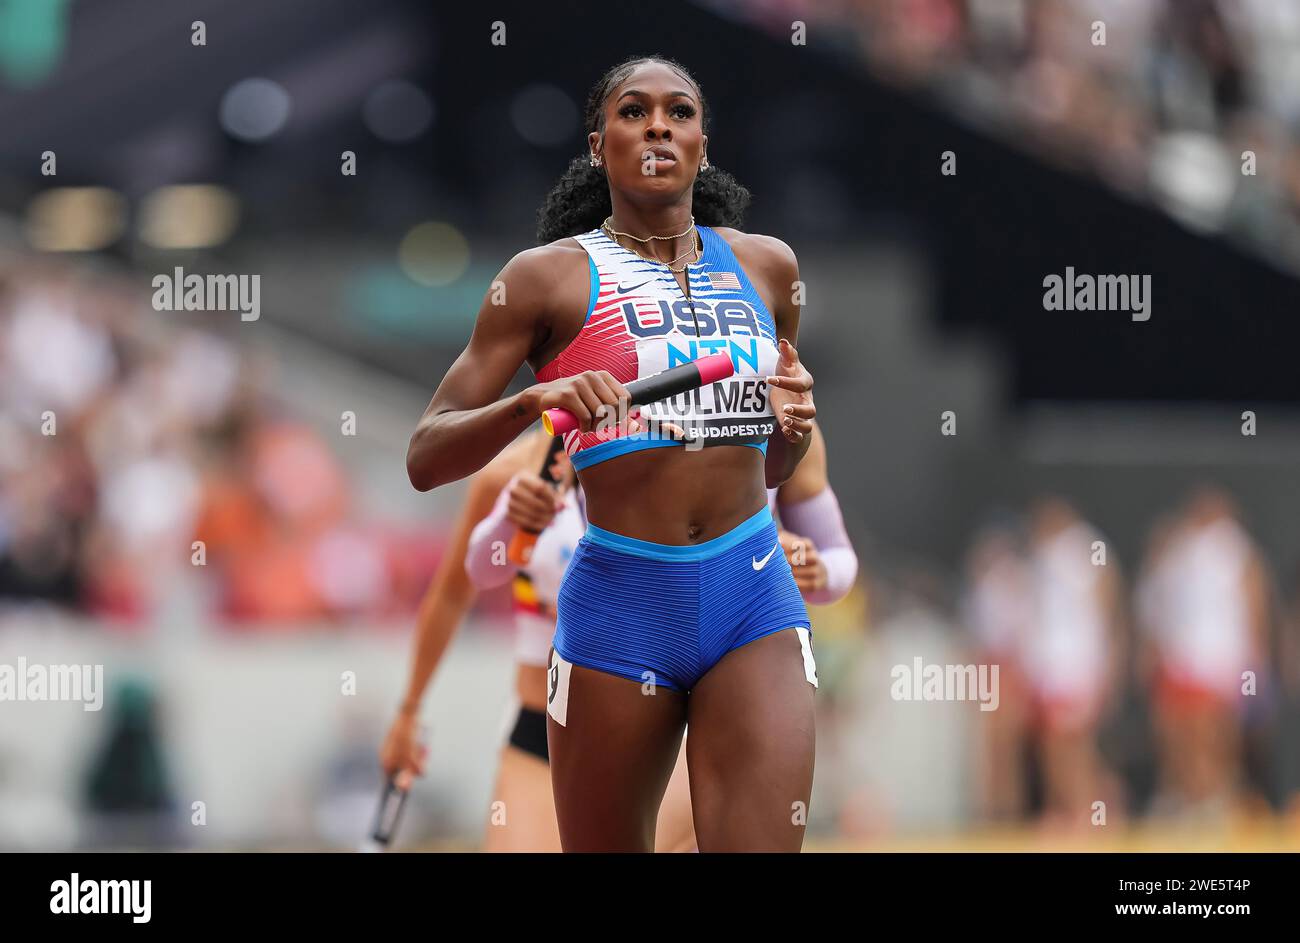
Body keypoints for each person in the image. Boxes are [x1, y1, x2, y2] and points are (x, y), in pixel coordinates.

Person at [406, 55, 819, 851]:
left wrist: (791, 434)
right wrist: (533, 401)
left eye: (679, 112)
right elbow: (426, 454)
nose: (659, 124)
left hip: (751, 592)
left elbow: (770, 467)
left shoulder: (769, 268)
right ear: (598, 145)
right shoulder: (546, 280)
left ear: (703, 141)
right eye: (634, 111)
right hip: (620, 607)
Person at [380, 428, 576, 851]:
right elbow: (452, 594)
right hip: (538, 728)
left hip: (654, 727)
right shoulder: (507, 474)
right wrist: (410, 710)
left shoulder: (671, 450)